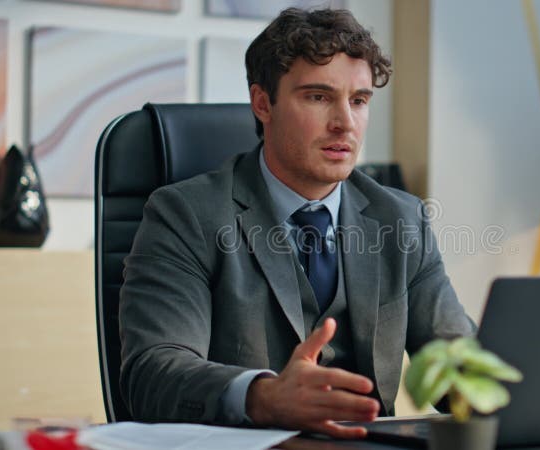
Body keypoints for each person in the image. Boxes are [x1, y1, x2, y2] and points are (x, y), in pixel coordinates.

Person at [118, 7, 474, 439]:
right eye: (318, 97)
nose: (345, 122)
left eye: (359, 100)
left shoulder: (401, 219)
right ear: (262, 103)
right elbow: (152, 374)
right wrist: (263, 396)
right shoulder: (185, 214)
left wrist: (507, 387)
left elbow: (459, 365)